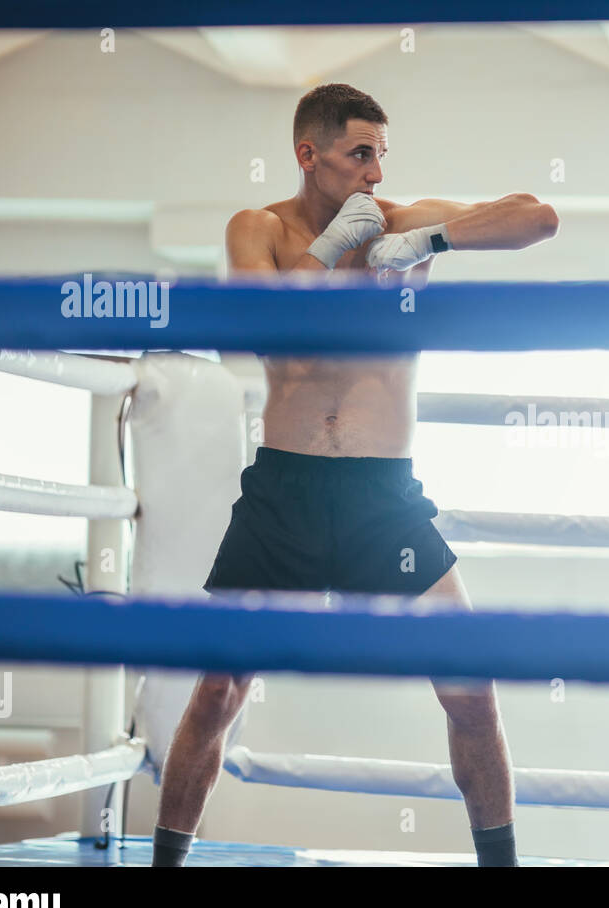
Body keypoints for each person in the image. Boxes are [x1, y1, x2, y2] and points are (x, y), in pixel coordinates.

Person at [151, 83, 558, 868]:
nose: (375, 174)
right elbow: (271, 325)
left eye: (381, 156)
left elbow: (535, 218)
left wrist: (426, 243)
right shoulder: (257, 229)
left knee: (471, 689)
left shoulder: (400, 222)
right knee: (219, 691)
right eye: (358, 154)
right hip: (284, 492)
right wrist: (335, 246)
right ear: (309, 155)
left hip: (383, 498)